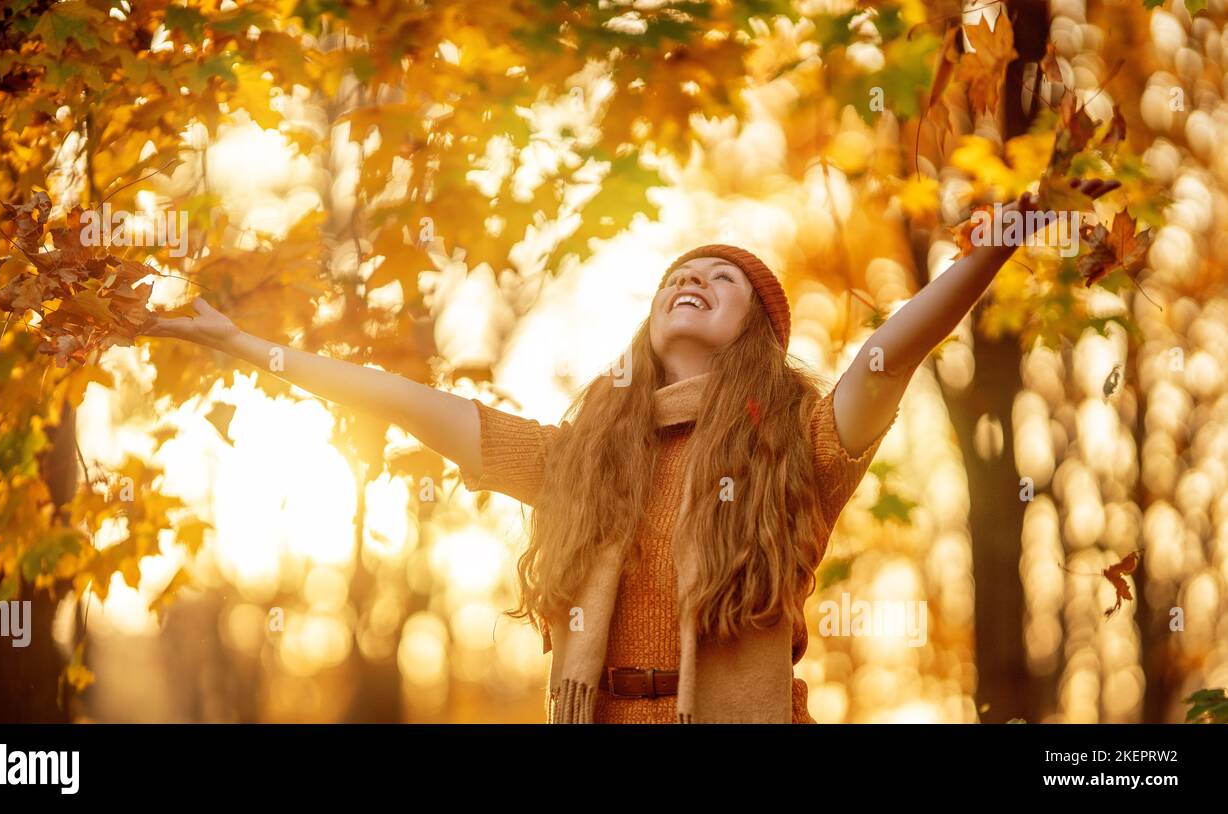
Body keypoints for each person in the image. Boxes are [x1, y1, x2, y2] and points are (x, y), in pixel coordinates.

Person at [147, 179, 1117, 722]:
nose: (688, 281)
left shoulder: (800, 448)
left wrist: (1001, 242)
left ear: (756, 332)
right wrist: (247, 346)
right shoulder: (583, 460)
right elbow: (411, 403)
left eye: (717, 279)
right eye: (677, 277)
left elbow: (892, 346)